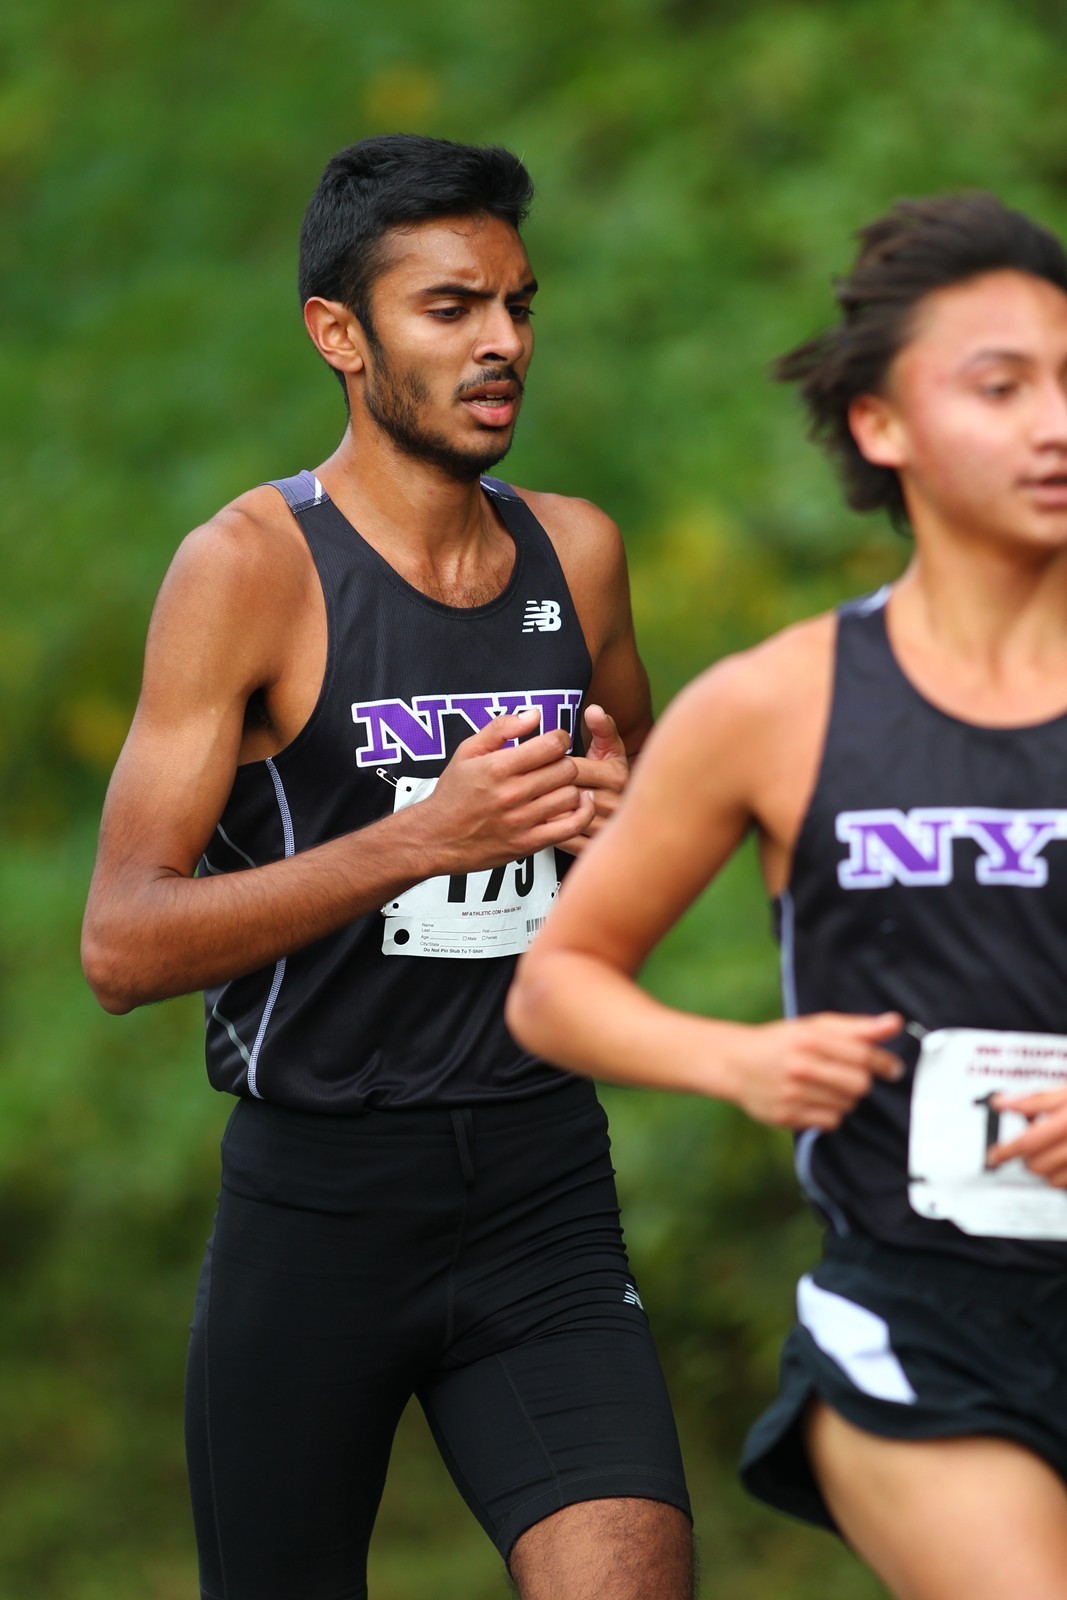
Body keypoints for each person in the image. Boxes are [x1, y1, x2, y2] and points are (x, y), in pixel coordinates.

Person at [81, 134, 693, 1600]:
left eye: (520, 305)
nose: (502, 345)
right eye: (451, 308)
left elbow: (651, 807)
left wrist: (627, 815)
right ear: (339, 334)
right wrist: (423, 839)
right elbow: (120, 945)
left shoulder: (578, 554)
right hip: (320, 1204)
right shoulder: (246, 569)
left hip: (545, 1181)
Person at [507, 191, 1067, 1600]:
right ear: (882, 426)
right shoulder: (777, 705)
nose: (1055, 422)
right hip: (920, 1320)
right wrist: (737, 1058)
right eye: (1001, 388)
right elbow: (558, 981)